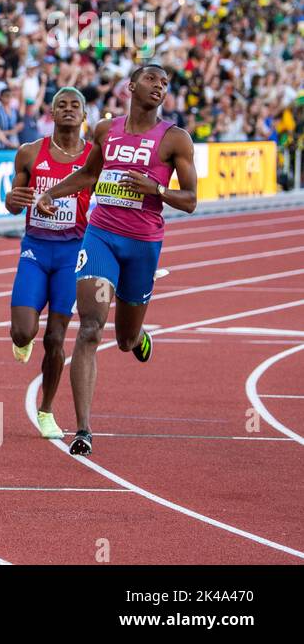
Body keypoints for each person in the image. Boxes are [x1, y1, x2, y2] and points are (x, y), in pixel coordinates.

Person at [35, 64, 198, 456]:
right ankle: (84, 429)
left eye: (164, 83)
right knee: (90, 327)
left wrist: (156, 188)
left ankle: (139, 336)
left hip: (143, 244)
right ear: (131, 86)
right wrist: (53, 193)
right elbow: (90, 175)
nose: (159, 86)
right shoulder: (106, 131)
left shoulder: (174, 139)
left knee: (124, 339)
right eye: (151, 79)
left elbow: (191, 200)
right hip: (101, 236)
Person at [2, 87, 91, 440]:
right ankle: (22, 340)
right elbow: (14, 203)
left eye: (75, 106)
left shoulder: (93, 158)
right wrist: (11, 199)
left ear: (84, 115)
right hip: (36, 250)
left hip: (72, 253)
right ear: (50, 114)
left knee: (56, 338)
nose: (68, 110)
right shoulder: (29, 153)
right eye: (61, 106)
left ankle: (46, 409)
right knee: (24, 330)